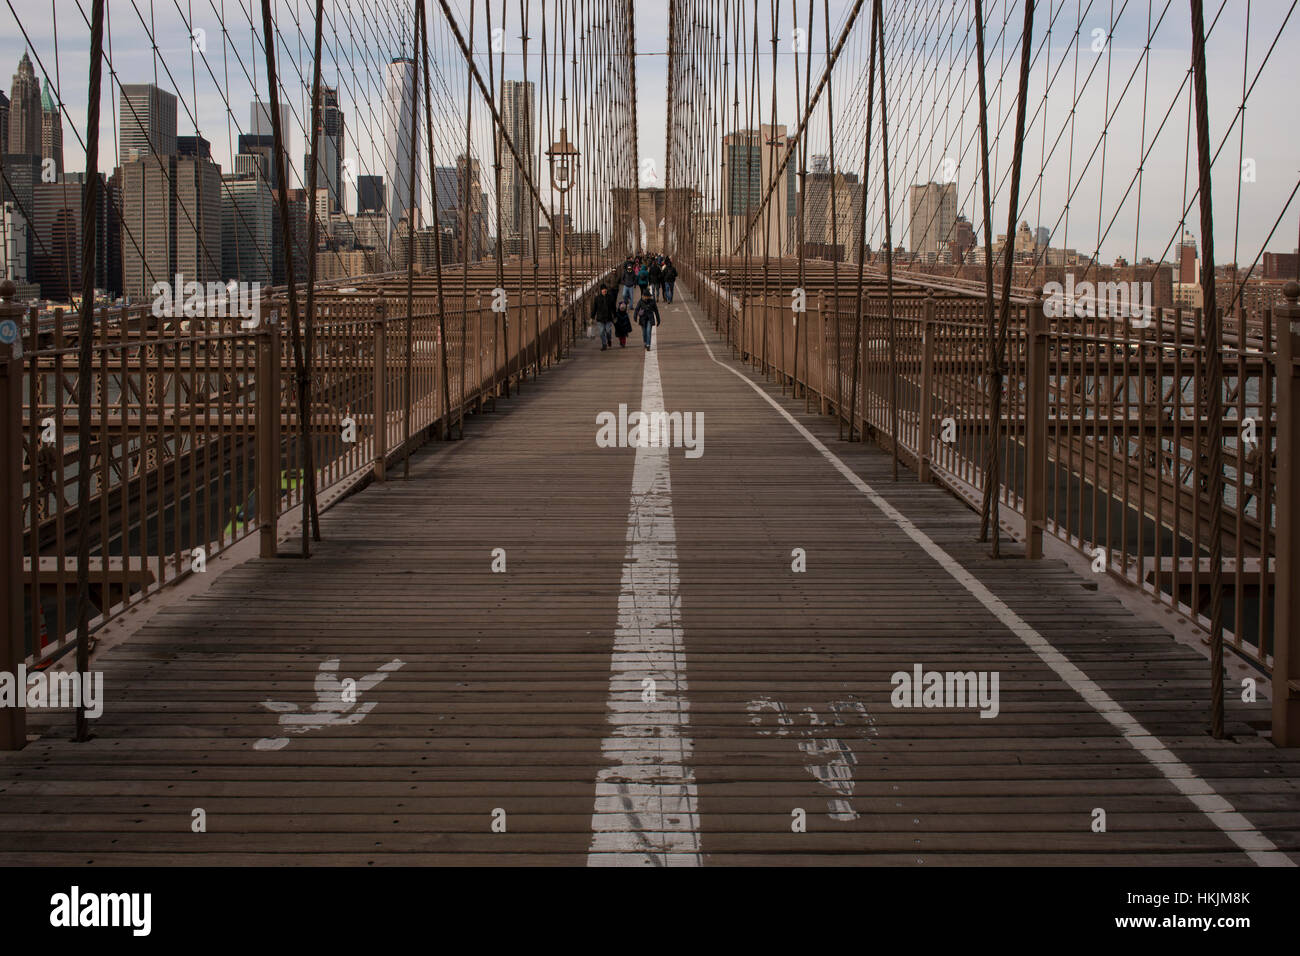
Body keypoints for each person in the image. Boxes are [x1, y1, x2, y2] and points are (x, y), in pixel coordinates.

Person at [592, 283, 616, 350]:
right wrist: (592, 317)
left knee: (608, 331)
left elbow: (613, 308)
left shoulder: (610, 297)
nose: (604, 290)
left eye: (605, 289)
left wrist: (615, 316)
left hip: (608, 317)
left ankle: (609, 340)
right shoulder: (597, 298)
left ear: (607, 290)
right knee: (601, 332)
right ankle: (604, 344)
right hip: (600, 318)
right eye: (603, 289)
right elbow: (594, 308)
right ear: (601, 290)